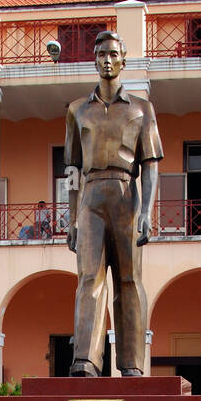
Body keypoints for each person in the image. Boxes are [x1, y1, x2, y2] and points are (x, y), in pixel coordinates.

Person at [64, 30, 163, 377]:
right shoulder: (78, 110)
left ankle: (131, 363)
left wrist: (147, 211)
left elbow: (150, 164)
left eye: (113, 54)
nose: (107, 60)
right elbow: (73, 168)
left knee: (129, 280)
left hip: (125, 193)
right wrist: (72, 216)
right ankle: (86, 360)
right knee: (89, 278)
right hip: (90, 195)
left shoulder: (141, 109)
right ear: (94, 60)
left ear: (124, 61)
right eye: (101, 54)